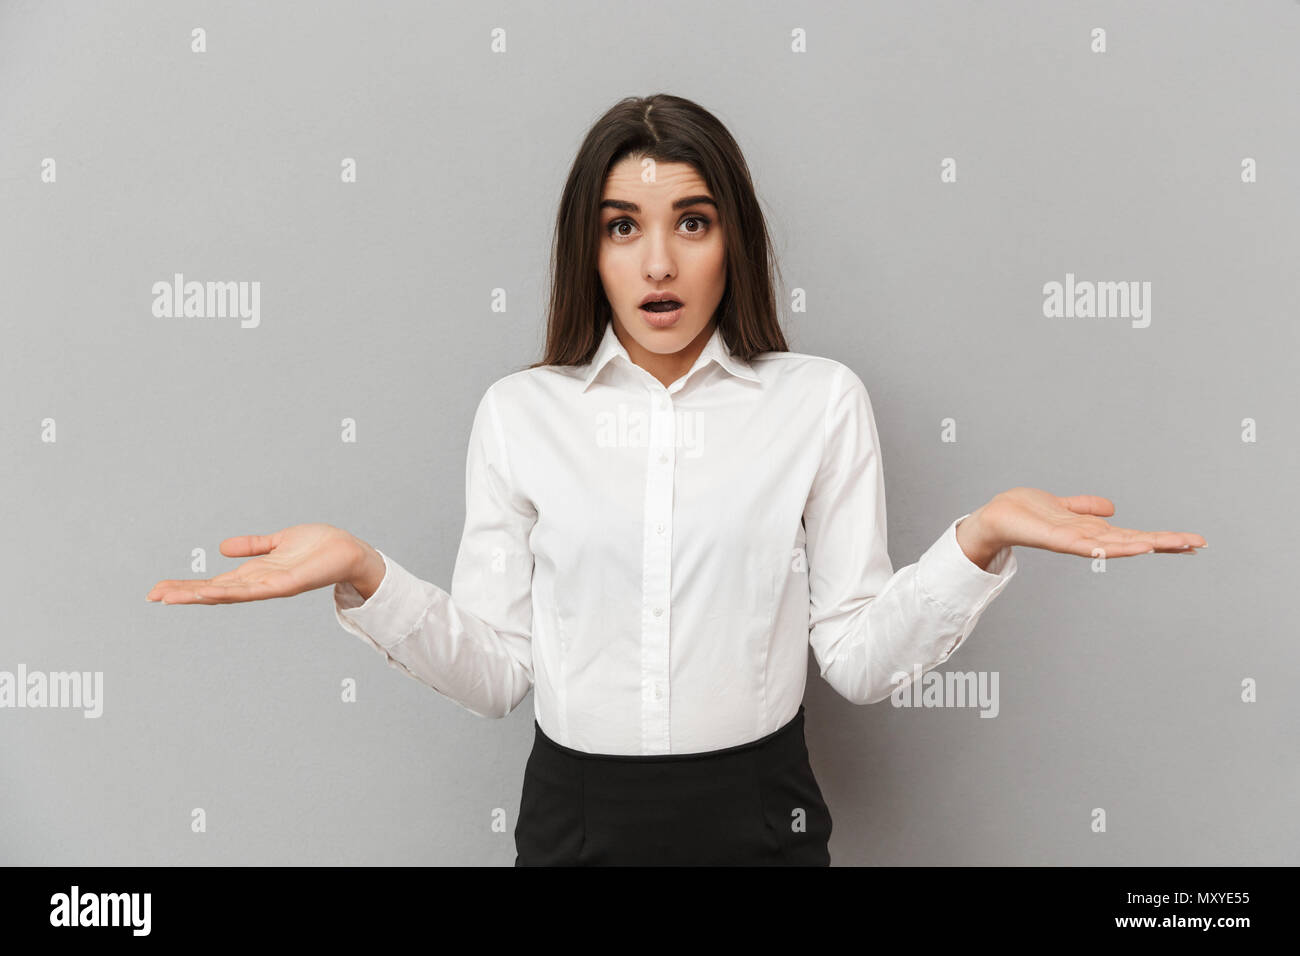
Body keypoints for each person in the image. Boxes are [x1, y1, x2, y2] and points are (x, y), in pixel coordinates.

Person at [145, 94, 1206, 866]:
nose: (657, 262)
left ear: (729, 240)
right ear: (589, 247)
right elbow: (496, 672)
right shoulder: (521, 413)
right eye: (623, 226)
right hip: (576, 817)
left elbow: (859, 659)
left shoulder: (818, 400)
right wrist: (366, 573)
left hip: (761, 812)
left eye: (689, 222)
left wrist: (977, 540)